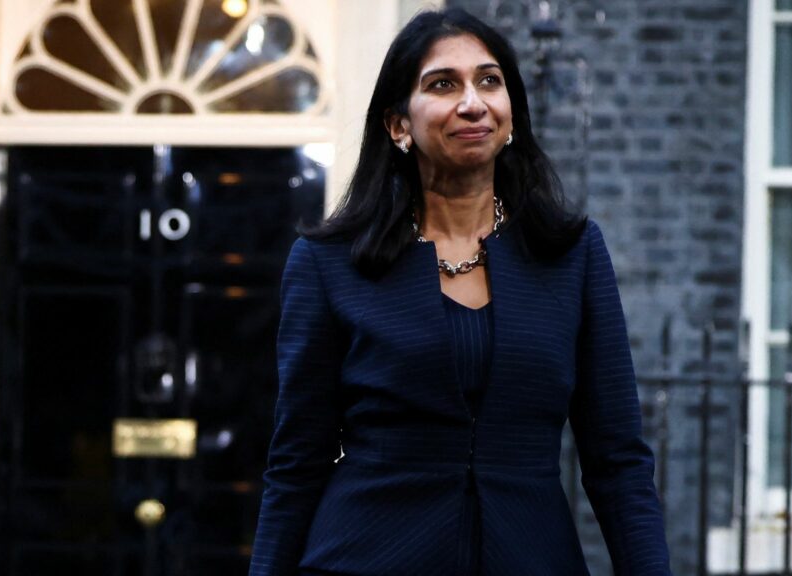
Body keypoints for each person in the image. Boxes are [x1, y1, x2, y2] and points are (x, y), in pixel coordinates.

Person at [249, 8, 670, 576]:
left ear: (512, 115)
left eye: (489, 81)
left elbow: (617, 460)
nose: (473, 103)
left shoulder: (572, 255)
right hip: (365, 558)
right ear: (398, 125)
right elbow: (298, 461)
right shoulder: (330, 264)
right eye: (443, 84)